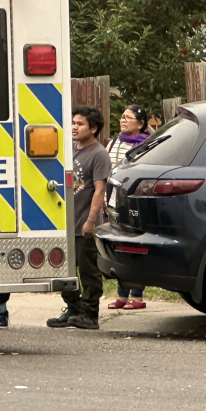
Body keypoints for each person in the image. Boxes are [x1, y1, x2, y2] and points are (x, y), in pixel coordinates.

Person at [47, 106, 111, 330]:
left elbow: (99, 190)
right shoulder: (71, 149)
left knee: (88, 272)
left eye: (80, 124)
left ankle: (90, 315)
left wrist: (90, 222)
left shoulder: (99, 154)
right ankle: (74, 309)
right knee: (64, 271)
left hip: (84, 223)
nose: (74, 127)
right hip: (66, 223)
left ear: (93, 128)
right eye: (73, 123)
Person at [105, 105, 150, 310]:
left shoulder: (147, 144)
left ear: (140, 124)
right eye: (122, 117)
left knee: (134, 249)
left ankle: (137, 296)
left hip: (134, 201)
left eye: (128, 118)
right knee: (118, 248)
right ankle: (121, 295)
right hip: (115, 201)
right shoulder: (114, 143)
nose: (123, 121)